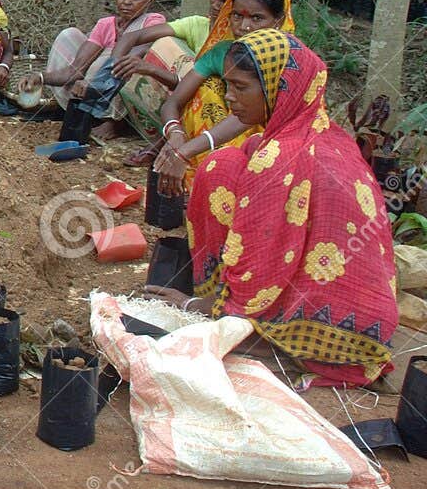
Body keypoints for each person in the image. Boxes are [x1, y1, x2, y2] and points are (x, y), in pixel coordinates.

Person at [155, 31, 398, 389]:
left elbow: (261, 262)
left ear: (278, 90)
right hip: (369, 319)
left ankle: (250, 323)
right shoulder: (324, 132)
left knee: (220, 169)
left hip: (340, 325)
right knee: (223, 165)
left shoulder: (281, 156)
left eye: (240, 87)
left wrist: (204, 308)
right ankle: (237, 306)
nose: (229, 98)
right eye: (227, 85)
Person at [153, 0, 294, 194]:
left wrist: (187, 149)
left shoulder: (289, 61)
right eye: (237, 16)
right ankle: (199, 178)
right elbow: (174, 102)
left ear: (278, 20)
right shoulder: (222, 52)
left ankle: (228, 180)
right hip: (214, 139)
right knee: (207, 88)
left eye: (257, 18)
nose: (244, 27)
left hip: (274, 147)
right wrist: (175, 133)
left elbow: (249, 118)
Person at [110, 0, 247, 165]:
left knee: (207, 83)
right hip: (189, 100)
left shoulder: (246, 46)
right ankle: (165, 138)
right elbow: (133, 36)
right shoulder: (199, 26)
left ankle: (169, 145)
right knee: (164, 44)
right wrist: (113, 66)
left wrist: (150, 69)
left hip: (230, 113)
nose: (216, 5)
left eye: (224, 1)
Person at [37, 0, 168, 141]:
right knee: (68, 35)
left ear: (149, 0)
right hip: (92, 91)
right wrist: (39, 77)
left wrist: (94, 82)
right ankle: (80, 111)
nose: (126, 2)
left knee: (125, 58)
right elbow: (75, 70)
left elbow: (134, 55)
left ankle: (116, 121)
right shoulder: (105, 24)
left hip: (122, 91)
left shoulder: (153, 21)